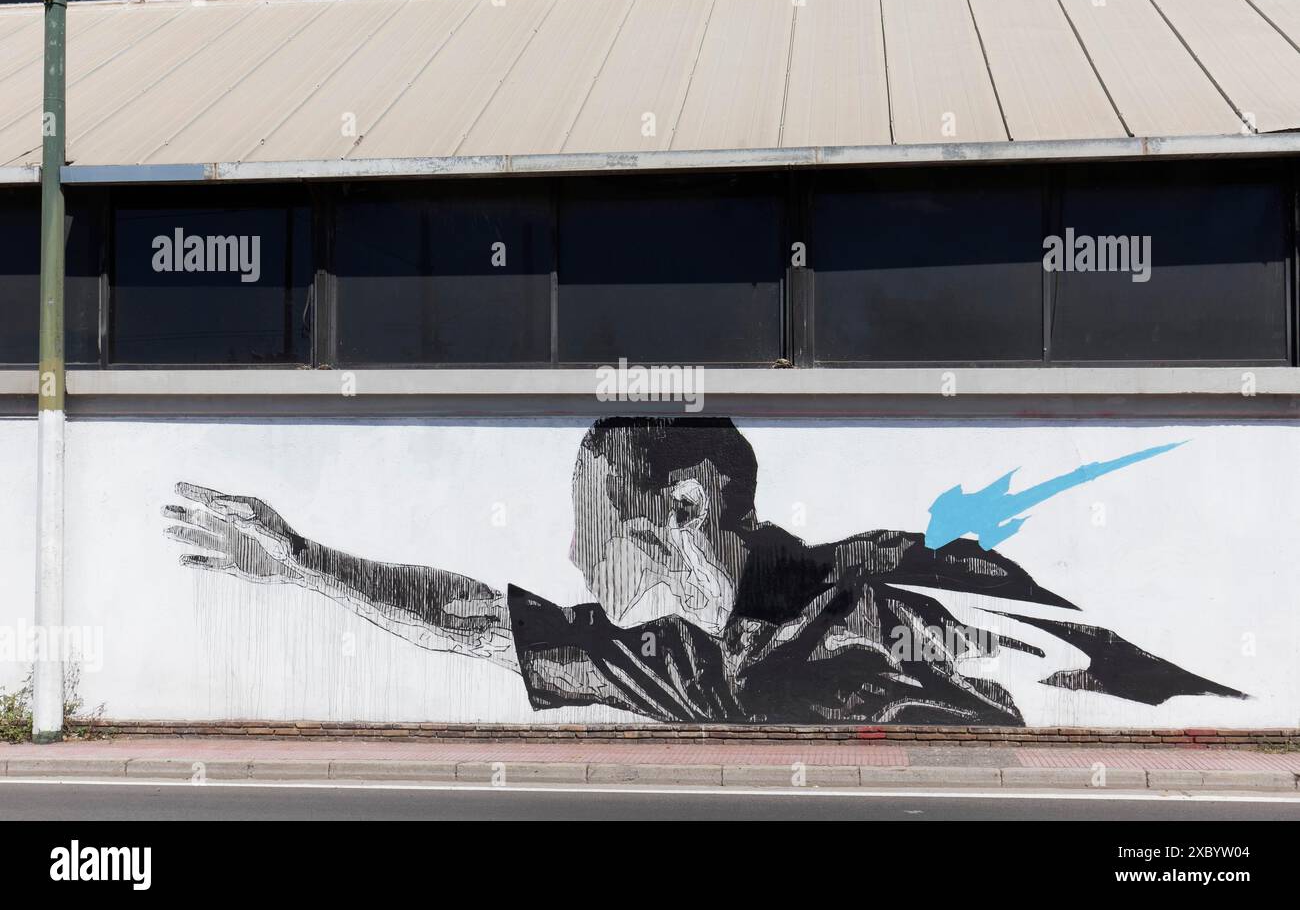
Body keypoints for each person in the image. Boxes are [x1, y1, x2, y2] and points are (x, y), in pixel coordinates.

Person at [163, 417, 1244, 725]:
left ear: (688, 505)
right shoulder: (671, 660)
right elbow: (468, 616)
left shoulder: (887, 579)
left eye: (599, 522)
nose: (577, 554)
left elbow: (1085, 657)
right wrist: (304, 563)